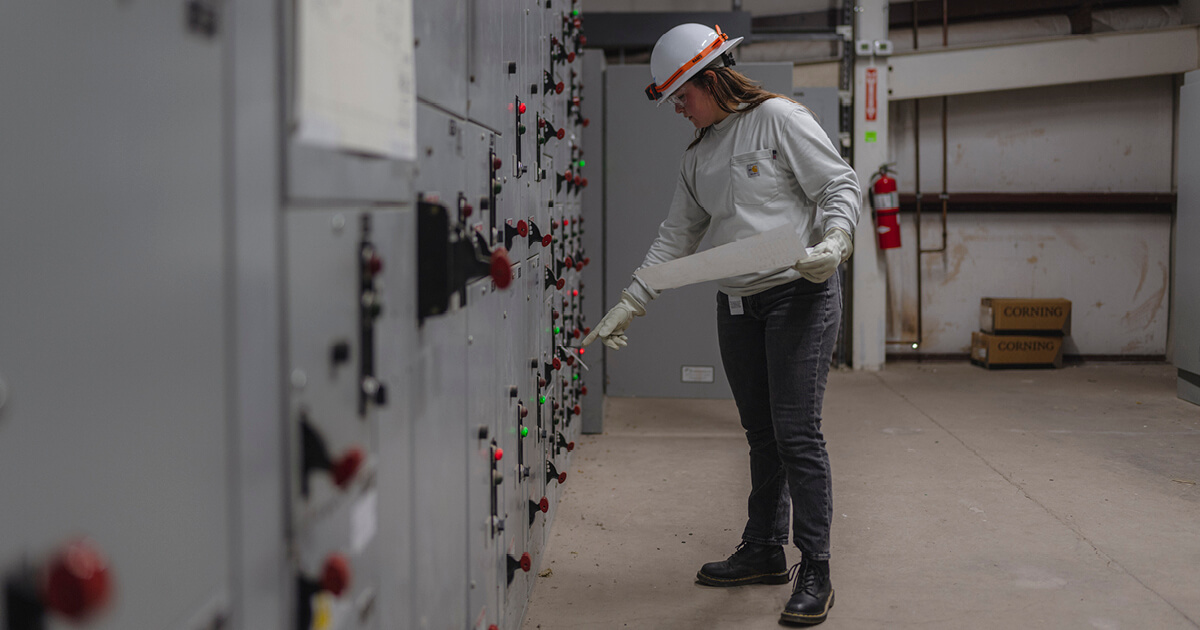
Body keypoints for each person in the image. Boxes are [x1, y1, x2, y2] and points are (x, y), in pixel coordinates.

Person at [580, 23, 861, 626]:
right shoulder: (699, 155)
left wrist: (836, 241)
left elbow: (838, 182)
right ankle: (763, 548)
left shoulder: (780, 118)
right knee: (762, 434)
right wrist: (632, 299)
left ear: (711, 80)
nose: (679, 109)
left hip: (799, 295)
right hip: (738, 303)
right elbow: (675, 237)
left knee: (797, 434)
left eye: (683, 97)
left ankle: (817, 568)